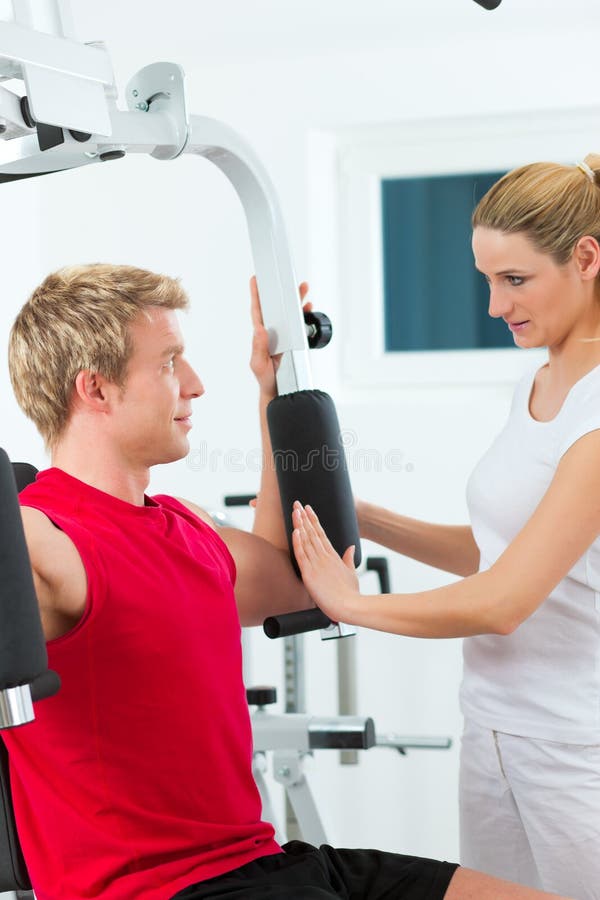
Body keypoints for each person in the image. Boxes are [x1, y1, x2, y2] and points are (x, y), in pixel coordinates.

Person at [2, 263, 567, 900]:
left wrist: (271, 391)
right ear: (95, 390)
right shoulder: (45, 537)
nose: (193, 384)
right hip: (166, 891)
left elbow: (292, 579)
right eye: (168, 363)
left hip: (270, 865)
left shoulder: (184, 526)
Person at [291, 154, 600, 900]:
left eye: (516, 280)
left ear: (587, 259)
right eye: (486, 279)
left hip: (576, 747)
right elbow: (495, 552)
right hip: (493, 729)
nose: (495, 306)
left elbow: (504, 601)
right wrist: (361, 515)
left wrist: (351, 604)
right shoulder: (542, 378)